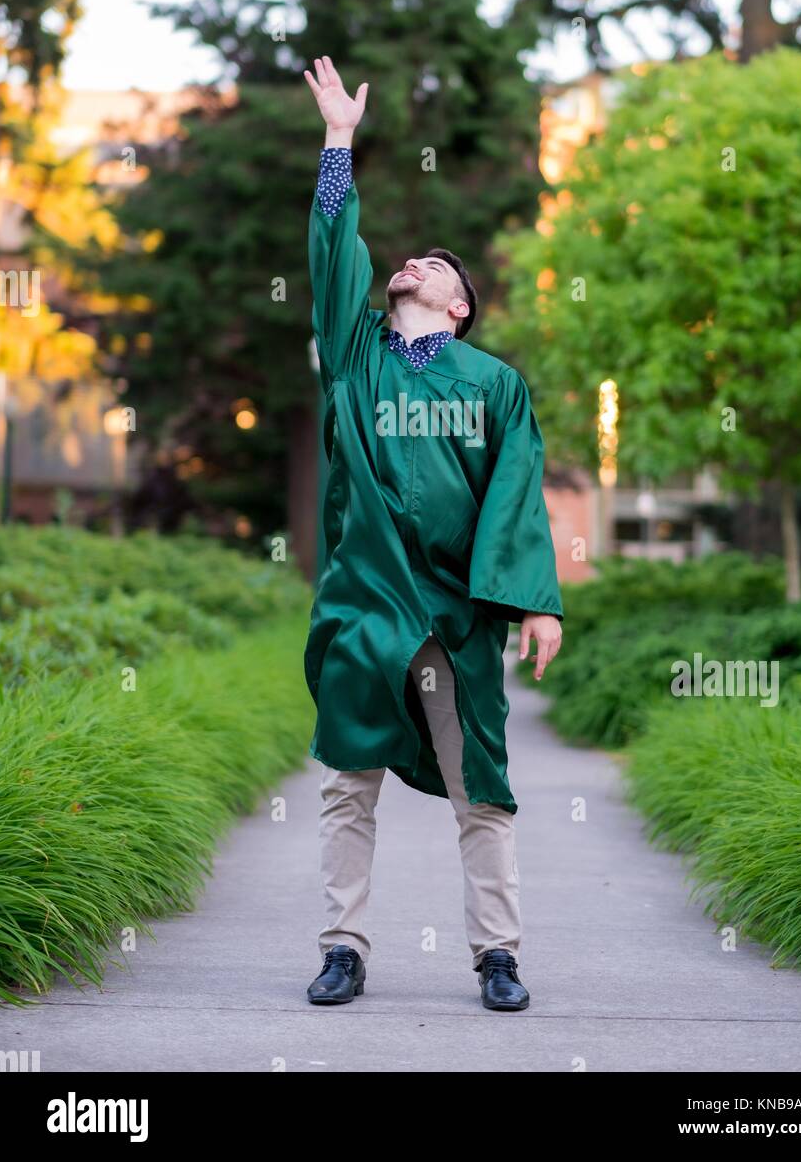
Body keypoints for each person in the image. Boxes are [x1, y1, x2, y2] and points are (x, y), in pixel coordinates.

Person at [302, 55, 563, 1012]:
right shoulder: (355, 354)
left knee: (480, 790)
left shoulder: (492, 383)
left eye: (437, 267)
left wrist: (534, 602)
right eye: (407, 261)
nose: (413, 262)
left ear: (457, 306)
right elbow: (334, 255)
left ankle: (497, 955)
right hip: (367, 601)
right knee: (346, 785)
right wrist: (339, 144)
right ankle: (343, 947)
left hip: (454, 616)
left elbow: (517, 494)